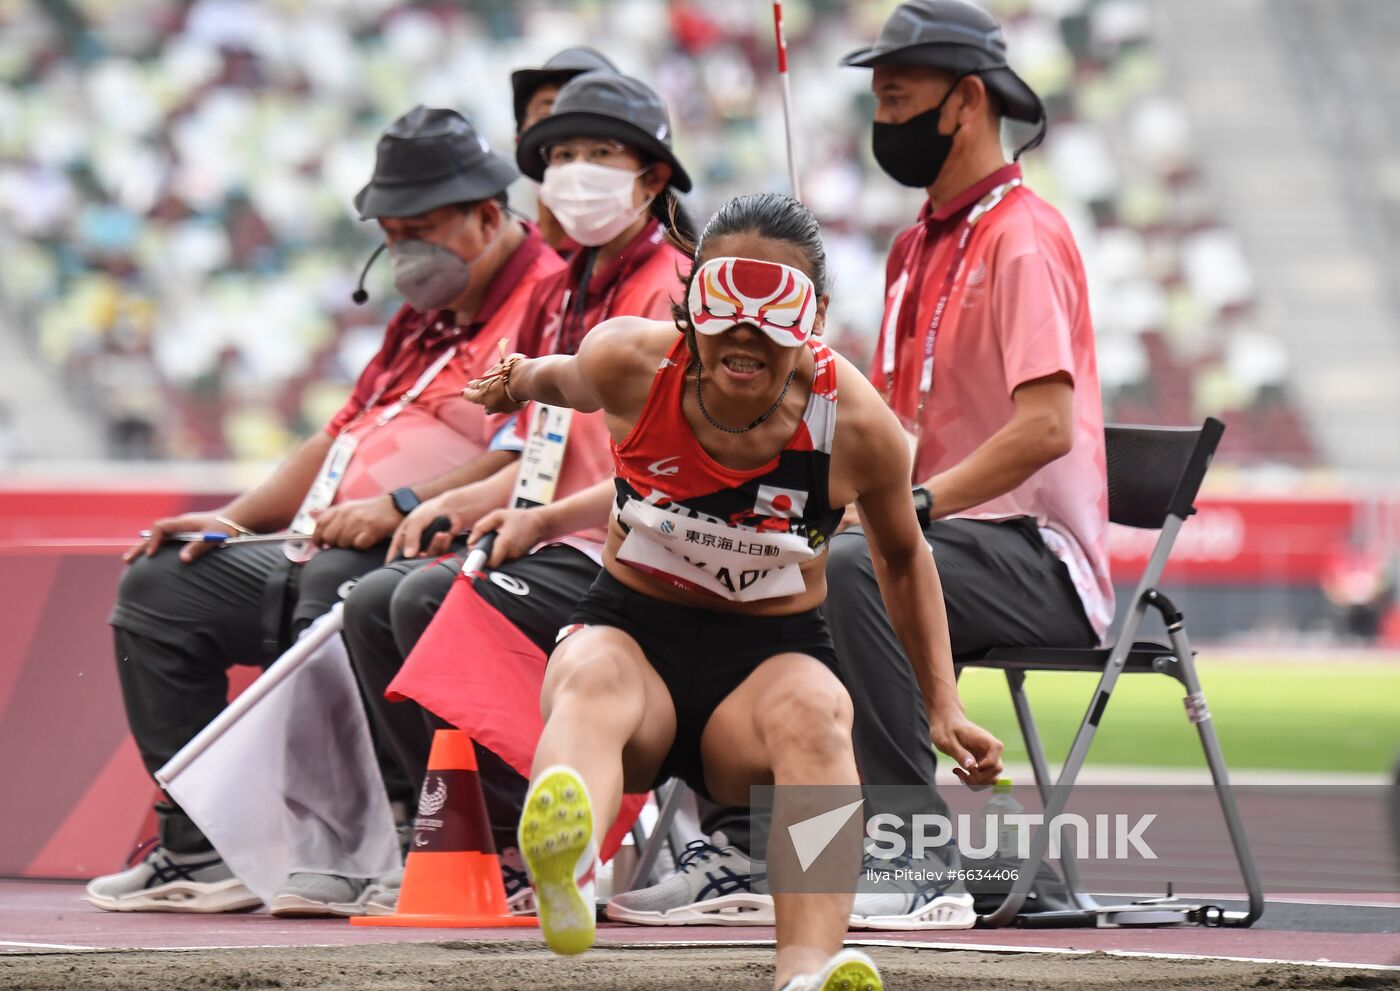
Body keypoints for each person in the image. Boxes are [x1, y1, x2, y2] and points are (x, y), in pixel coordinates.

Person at [613, 0, 1110, 931]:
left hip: (1030, 550)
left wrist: (913, 504)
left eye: (895, 97)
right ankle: (757, 843)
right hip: (947, 535)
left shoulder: (1023, 234)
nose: (881, 120)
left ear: (965, 101)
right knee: (753, 550)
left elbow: (1046, 427)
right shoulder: (915, 243)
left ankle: (915, 855)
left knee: (845, 564)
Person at [462, 192, 1004, 991]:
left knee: (821, 713)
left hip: (763, 670)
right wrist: (514, 381)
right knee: (592, 679)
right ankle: (568, 865)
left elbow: (902, 556)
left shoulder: (854, 424)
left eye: (775, 303)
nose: (745, 328)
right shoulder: (633, 364)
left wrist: (943, 704)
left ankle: (808, 969)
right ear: (688, 304)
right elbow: (561, 375)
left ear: (814, 317)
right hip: (632, 636)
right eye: (724, 299)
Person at [86, 106, 563, 914]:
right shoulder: (420, 318)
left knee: (345, 582)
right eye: (391, 230)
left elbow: (536, 451)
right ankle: (200, 849)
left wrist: (402, 503)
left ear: (489, 214)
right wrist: (233, 520)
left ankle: (364, 840)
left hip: (442, 545)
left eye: (421, 228)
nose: (403, 250)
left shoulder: (549, 298)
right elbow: (340, 431)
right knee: (162, 586)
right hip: (331, 537)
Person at [340, 70, 695, 913]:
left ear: (651, 176)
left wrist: (535, 518)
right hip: (558, 532)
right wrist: (483, 505)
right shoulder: (563, 290)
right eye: (560, 153)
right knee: (374, 599)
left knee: (428, 599)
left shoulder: (668, 284)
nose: (574, 169)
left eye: (598, 152)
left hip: (637, 544)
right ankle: (461, 829)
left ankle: (522, 834)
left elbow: (672, 467)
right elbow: (522, 441)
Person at [509, 46, 620, 252]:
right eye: (546, 118)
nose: (565, 138)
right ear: (520, 144)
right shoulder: (512, 260)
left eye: (587, 119)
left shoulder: (663, 268)